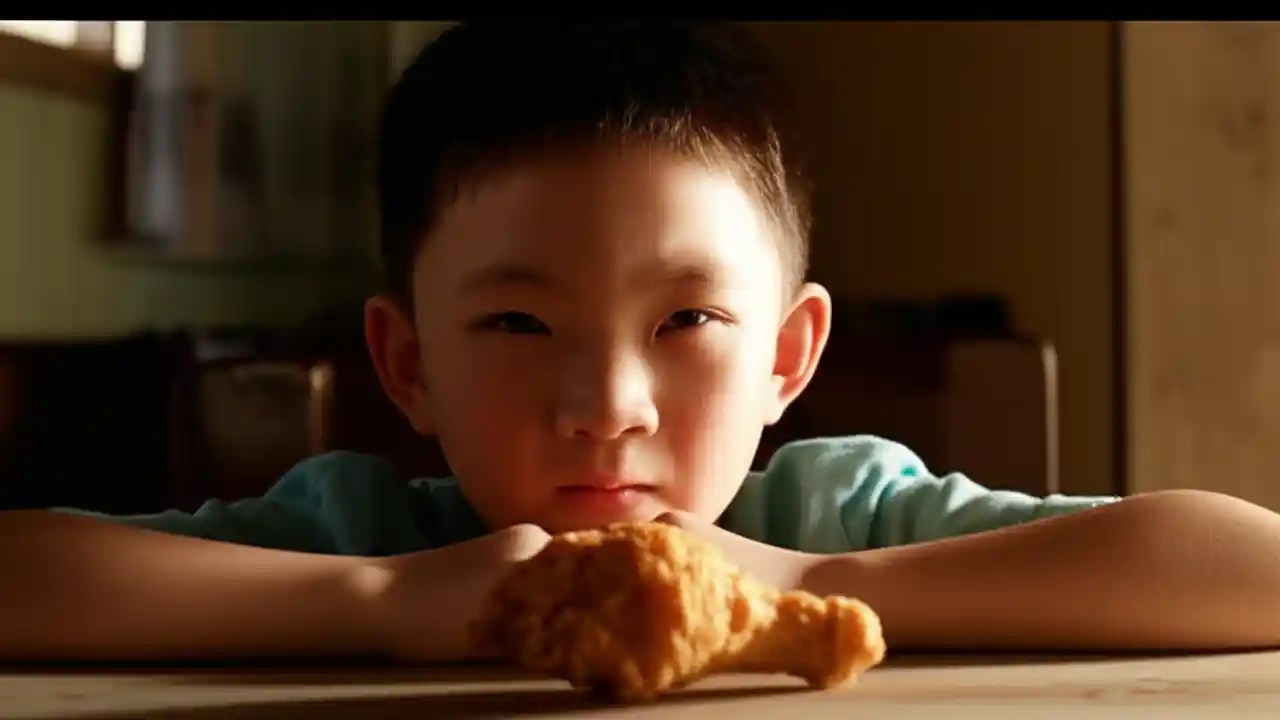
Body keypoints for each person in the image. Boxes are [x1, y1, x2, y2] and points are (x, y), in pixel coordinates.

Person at [3, 21, 1279, 665]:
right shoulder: (368, 538)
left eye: (686, 321)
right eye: (515, 321)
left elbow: (1251, 569)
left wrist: (795, 593)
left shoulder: (836, 517)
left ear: (787, 356)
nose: (607, 402)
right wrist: (380, 602)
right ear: (407, 367)